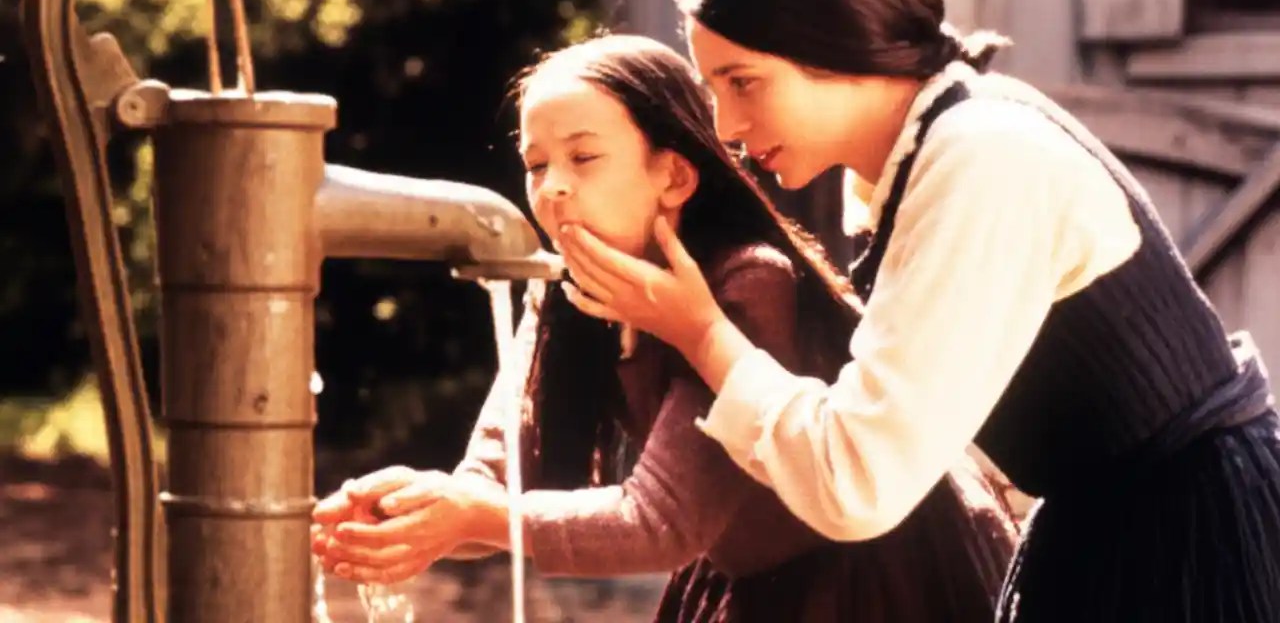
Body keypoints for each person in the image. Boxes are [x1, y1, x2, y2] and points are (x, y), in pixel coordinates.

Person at [552, 0, 1280, 622]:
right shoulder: (903, 168)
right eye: (712, 90)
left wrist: (701, 333)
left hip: (1183, 546)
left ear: (831, 43)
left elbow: (858, 479)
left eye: (743, 82)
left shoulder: (980, 156)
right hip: (1108, 532)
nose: (727, 128)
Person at [310, 34, 1017, 622]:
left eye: (583, 158)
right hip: (747, 584)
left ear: (674, 176)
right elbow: (499, 480)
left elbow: (660, 524)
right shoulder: (565, 291)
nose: (552, 186)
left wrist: (469, 514)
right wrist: (407, 511)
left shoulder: (747, 282)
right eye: (535, 164)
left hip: (878, 580)